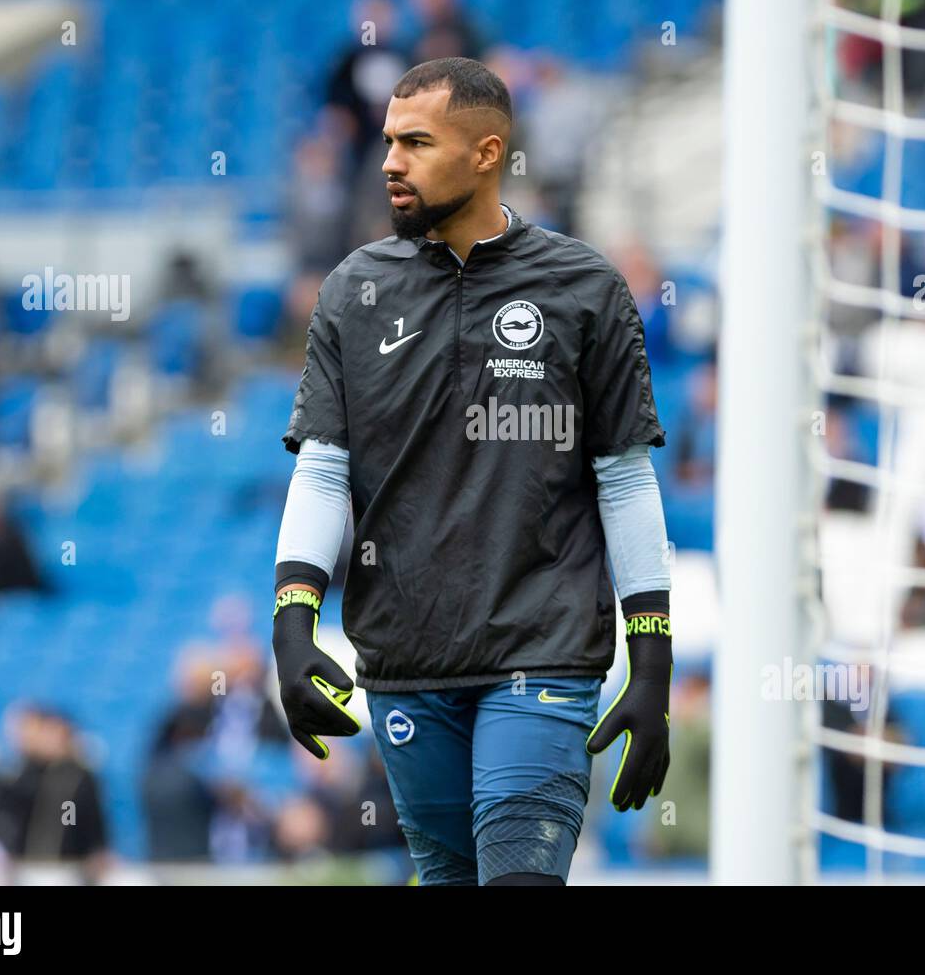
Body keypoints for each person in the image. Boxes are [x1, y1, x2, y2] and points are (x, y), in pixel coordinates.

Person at [271, 57, 672, 886]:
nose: (389, 162)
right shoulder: (353, 291)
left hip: (544, 651)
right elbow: (323, 470)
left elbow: (625, 479)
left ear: (487, 153)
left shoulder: (583, 288)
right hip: (406, 662)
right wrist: (292, 621)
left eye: (416, 143)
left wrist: (652, 662)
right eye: (388, 142)